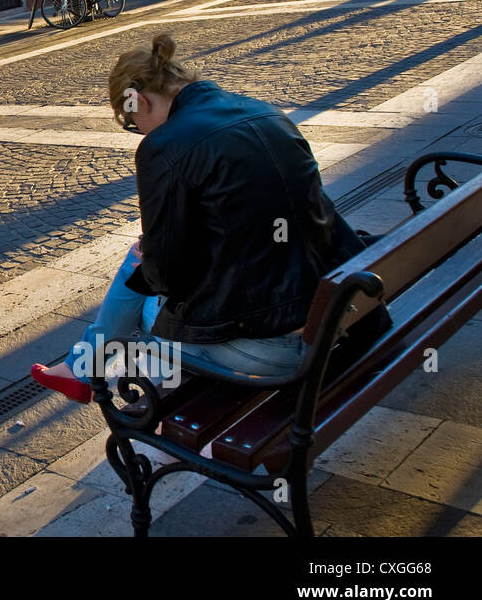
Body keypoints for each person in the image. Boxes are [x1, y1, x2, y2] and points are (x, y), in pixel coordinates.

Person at [32, 34, 371, 402]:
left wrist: (153, 255)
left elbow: (165, 277)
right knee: (143, 265)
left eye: (133, 123)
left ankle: (149, 412)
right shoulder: (266, 112)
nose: (139, 133)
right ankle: (86, 369)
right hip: (338, 314)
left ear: (140, 101)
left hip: (279, 349)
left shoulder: (165, 145)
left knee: (145, 298)